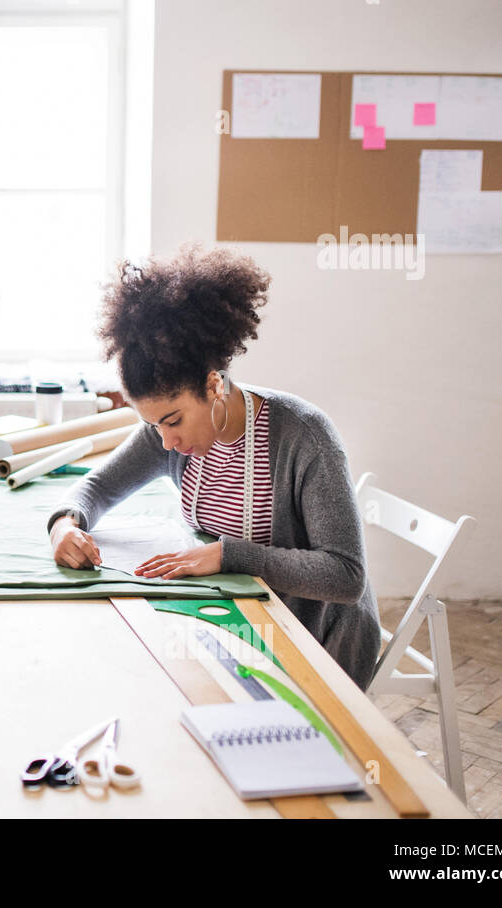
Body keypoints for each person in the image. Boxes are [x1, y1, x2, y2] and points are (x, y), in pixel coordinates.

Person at [47, 244, 381, 688]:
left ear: (212, 385)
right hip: (237, 622)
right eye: (152, 424)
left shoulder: (304, 437)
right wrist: (65, 525)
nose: (166, 441)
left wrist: (229, 556)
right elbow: (97, 489)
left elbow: (345, 576)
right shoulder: (165, 434)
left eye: (173, 420)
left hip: (315, 643)